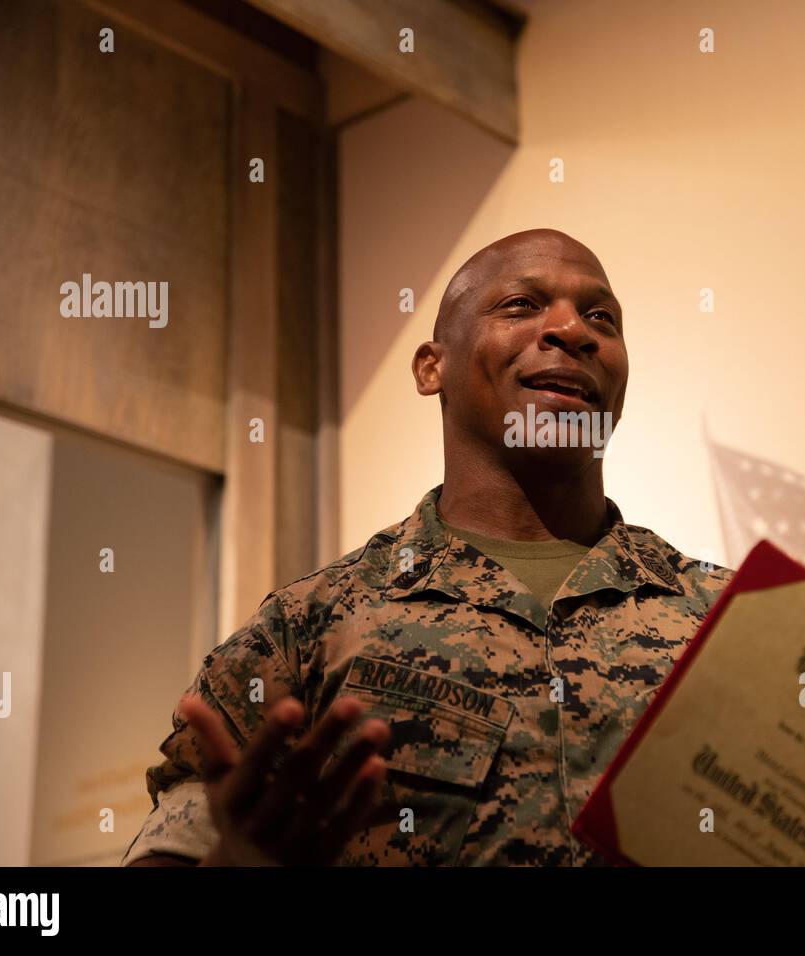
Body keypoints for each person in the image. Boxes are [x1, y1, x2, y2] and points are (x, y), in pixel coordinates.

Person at [123, 228, 732, 866]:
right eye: (521, 305)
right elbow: (173, 847)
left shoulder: (725, 623)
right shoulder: (307, 629)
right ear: (430, 367)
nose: (572, 330)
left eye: (600, 317)